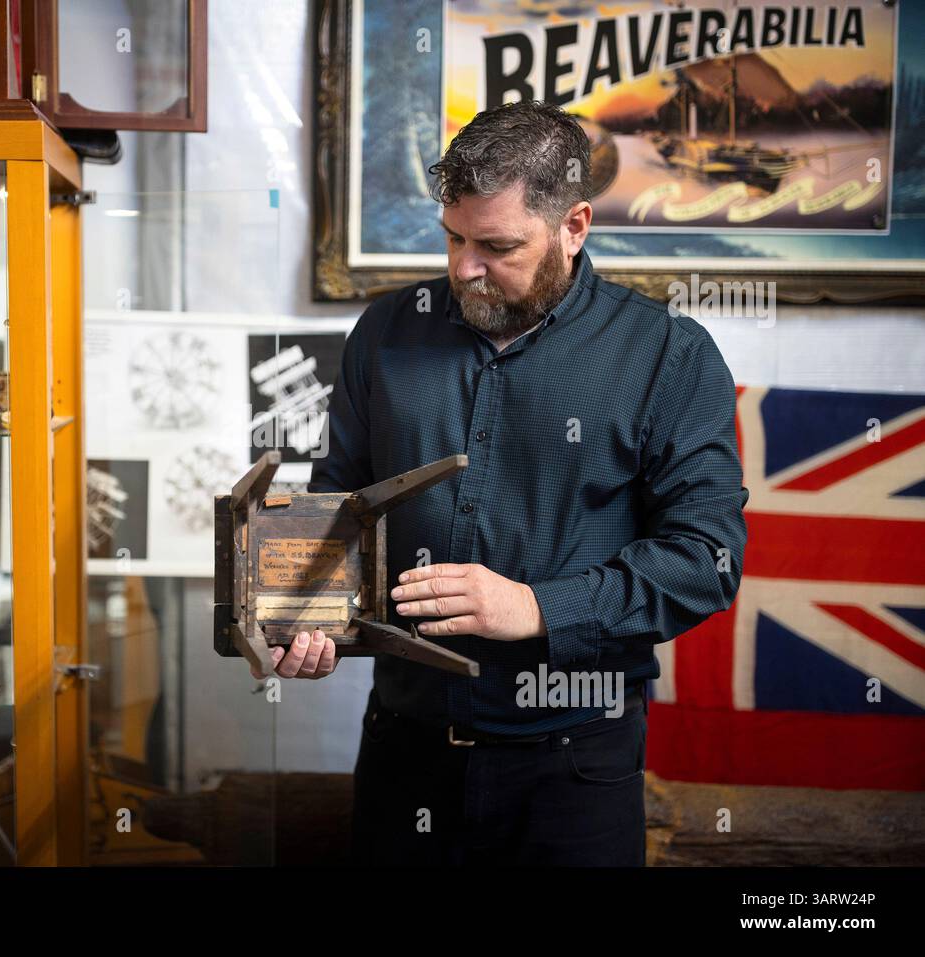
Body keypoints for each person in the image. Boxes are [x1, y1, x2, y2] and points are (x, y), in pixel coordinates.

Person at [250, 100, 749, 866]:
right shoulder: (384, 332)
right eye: (451, 237)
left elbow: (705, 560)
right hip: (403, 756)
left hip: (575, 769)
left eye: (497, 245)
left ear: (574, 226)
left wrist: (534, 605)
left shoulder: (669, 356)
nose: (462, 268)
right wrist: (307, 618)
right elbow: (338, 507)